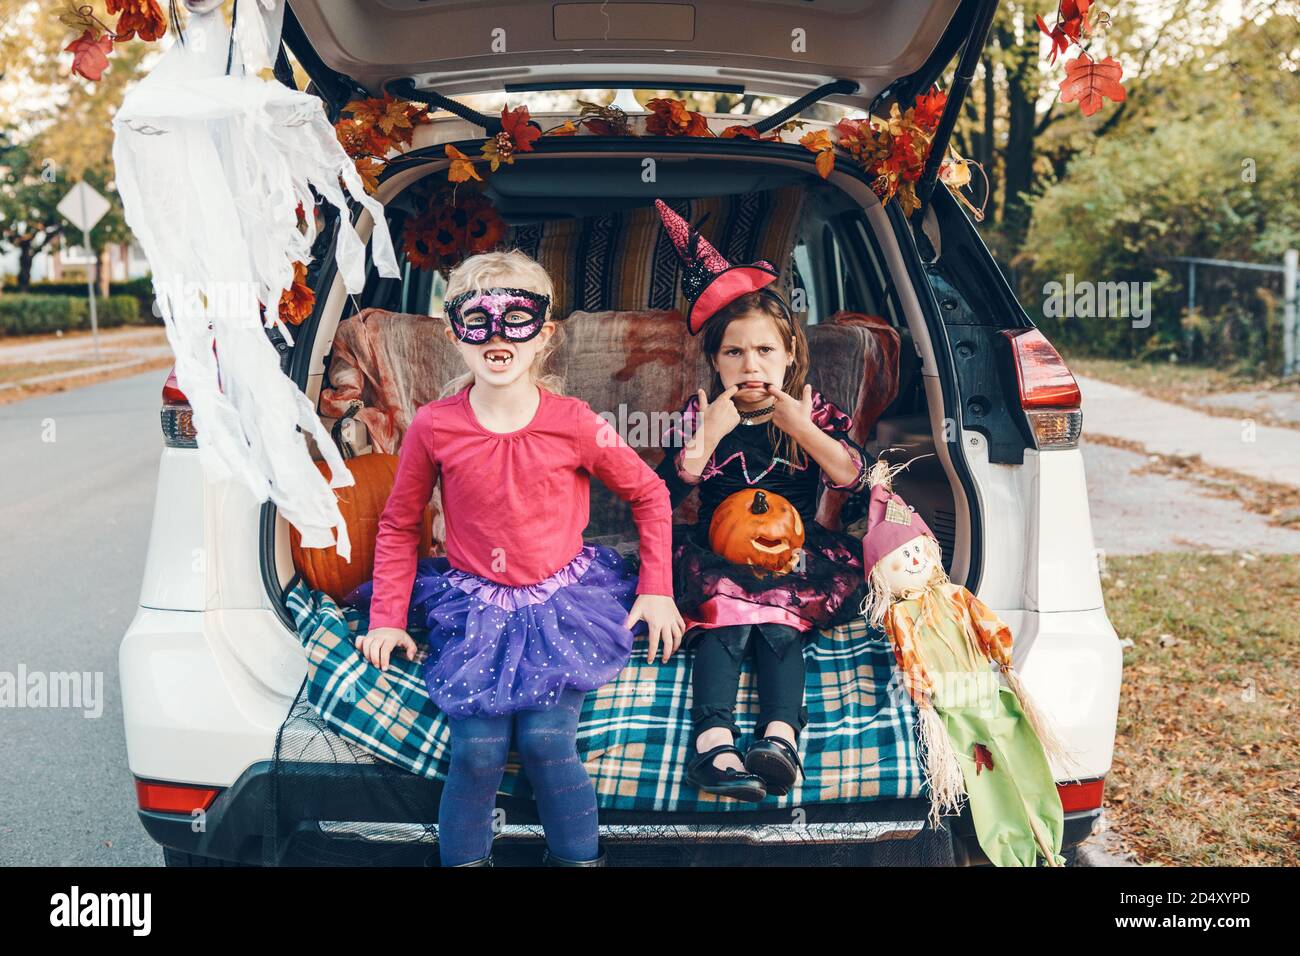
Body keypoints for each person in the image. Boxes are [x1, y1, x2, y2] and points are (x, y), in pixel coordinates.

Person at [347, 250, 685, 866]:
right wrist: (388, 617)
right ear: (456, 334)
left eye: (518, 319)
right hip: (474, 607)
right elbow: (399, 524)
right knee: (476, 753)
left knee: (548, 743)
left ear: (544, 336)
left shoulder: (575, 422)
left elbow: (650, 492)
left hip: (562, 607)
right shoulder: (433, 426)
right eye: (479, 321)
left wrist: (656, 588)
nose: (498, 336)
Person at [651, 200, 874, 802]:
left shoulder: (810, 411)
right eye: (734, 353)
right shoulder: (704, 414)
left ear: (790, 355)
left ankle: (779, 737)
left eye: (765, 352)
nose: (751, 365)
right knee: (723, 616)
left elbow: (855, 479)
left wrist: (804, 431)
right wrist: (707, 437)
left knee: (780, 618)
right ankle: (712, 745)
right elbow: (662, 494)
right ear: (715, 361)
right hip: (717, 549)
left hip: (794, 550)